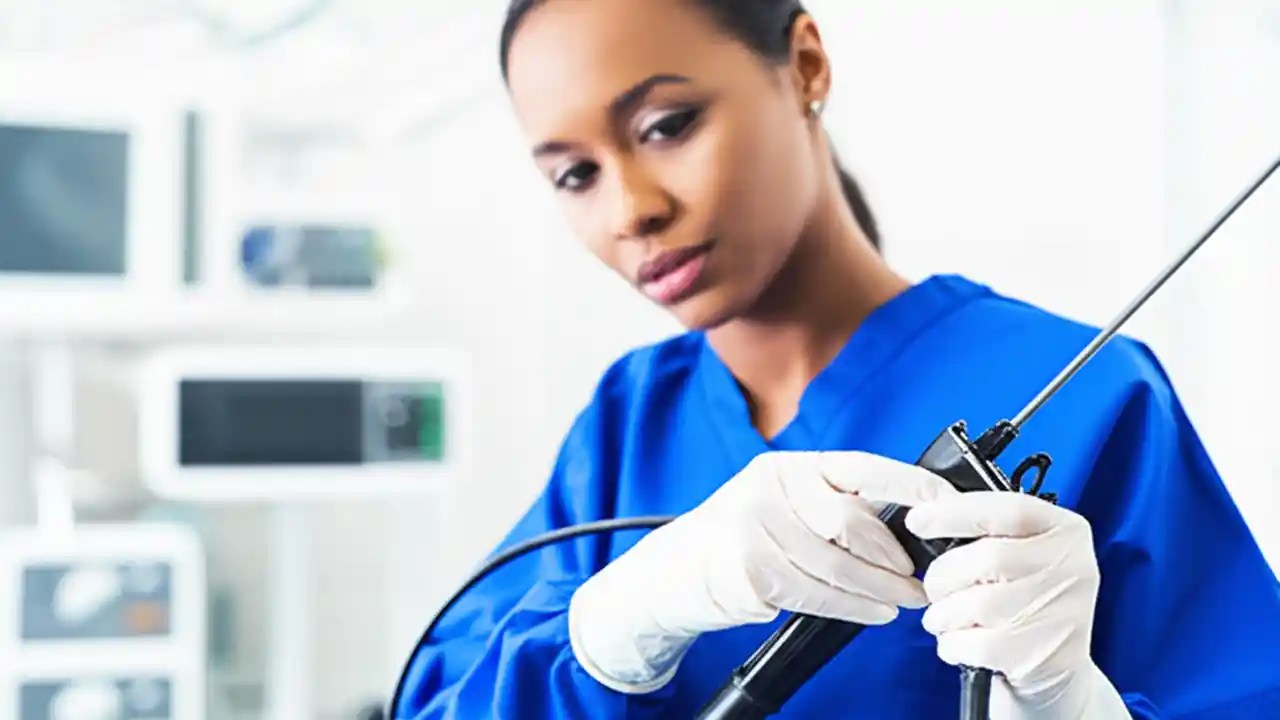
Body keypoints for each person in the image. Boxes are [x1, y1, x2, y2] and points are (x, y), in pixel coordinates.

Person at [394, 1, 1280, 717]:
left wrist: (1075, 710)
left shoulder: (1091, 392)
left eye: (667, 124)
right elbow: (440, 702)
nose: (630, 208)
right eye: (574, 176)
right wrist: (611, 632)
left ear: (806, 65)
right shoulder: (630, 422)